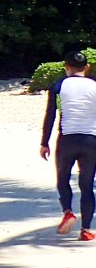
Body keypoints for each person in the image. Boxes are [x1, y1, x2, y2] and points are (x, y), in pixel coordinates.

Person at [41, 51, 96, 241]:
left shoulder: (58, 86)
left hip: (67, 140)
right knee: (87, 185)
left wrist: (44, 142)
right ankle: (87, 229)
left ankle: (68, 212)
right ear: (86, 68)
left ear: (66, 67)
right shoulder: (95, 86)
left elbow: (51, 115)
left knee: (63, 177)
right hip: (91, 140)